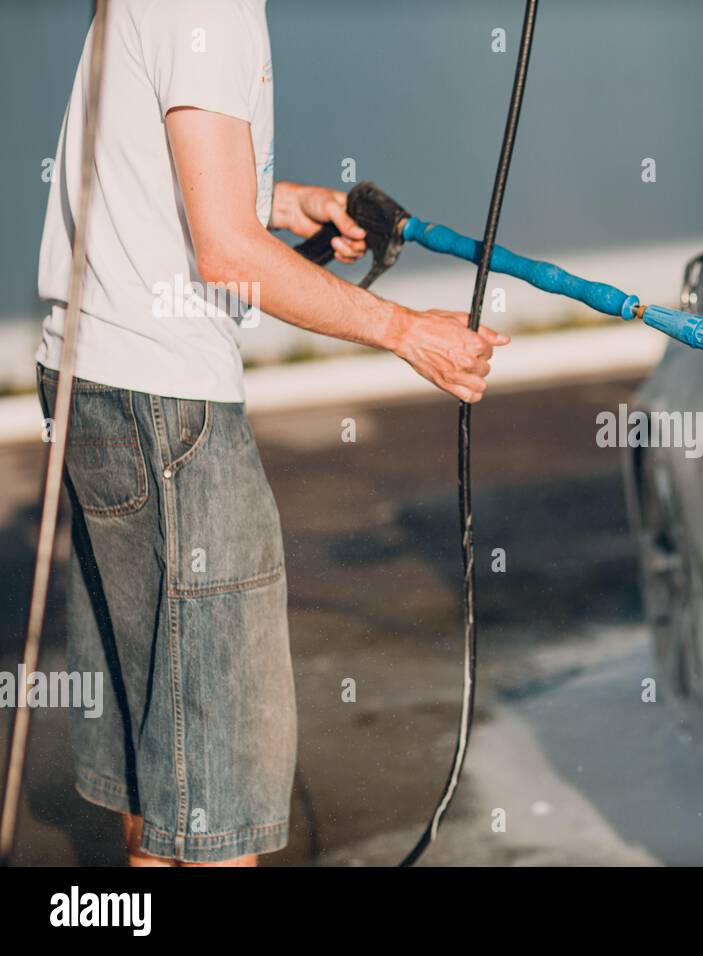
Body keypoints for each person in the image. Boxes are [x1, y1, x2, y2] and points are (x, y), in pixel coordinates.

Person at [36, 0, 508, 866]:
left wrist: (280, 203)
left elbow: (159, 172)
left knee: (163, 765)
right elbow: (226, 255)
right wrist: (409, 332)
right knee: (217, 806)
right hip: (168, 403)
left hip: (95, 380)